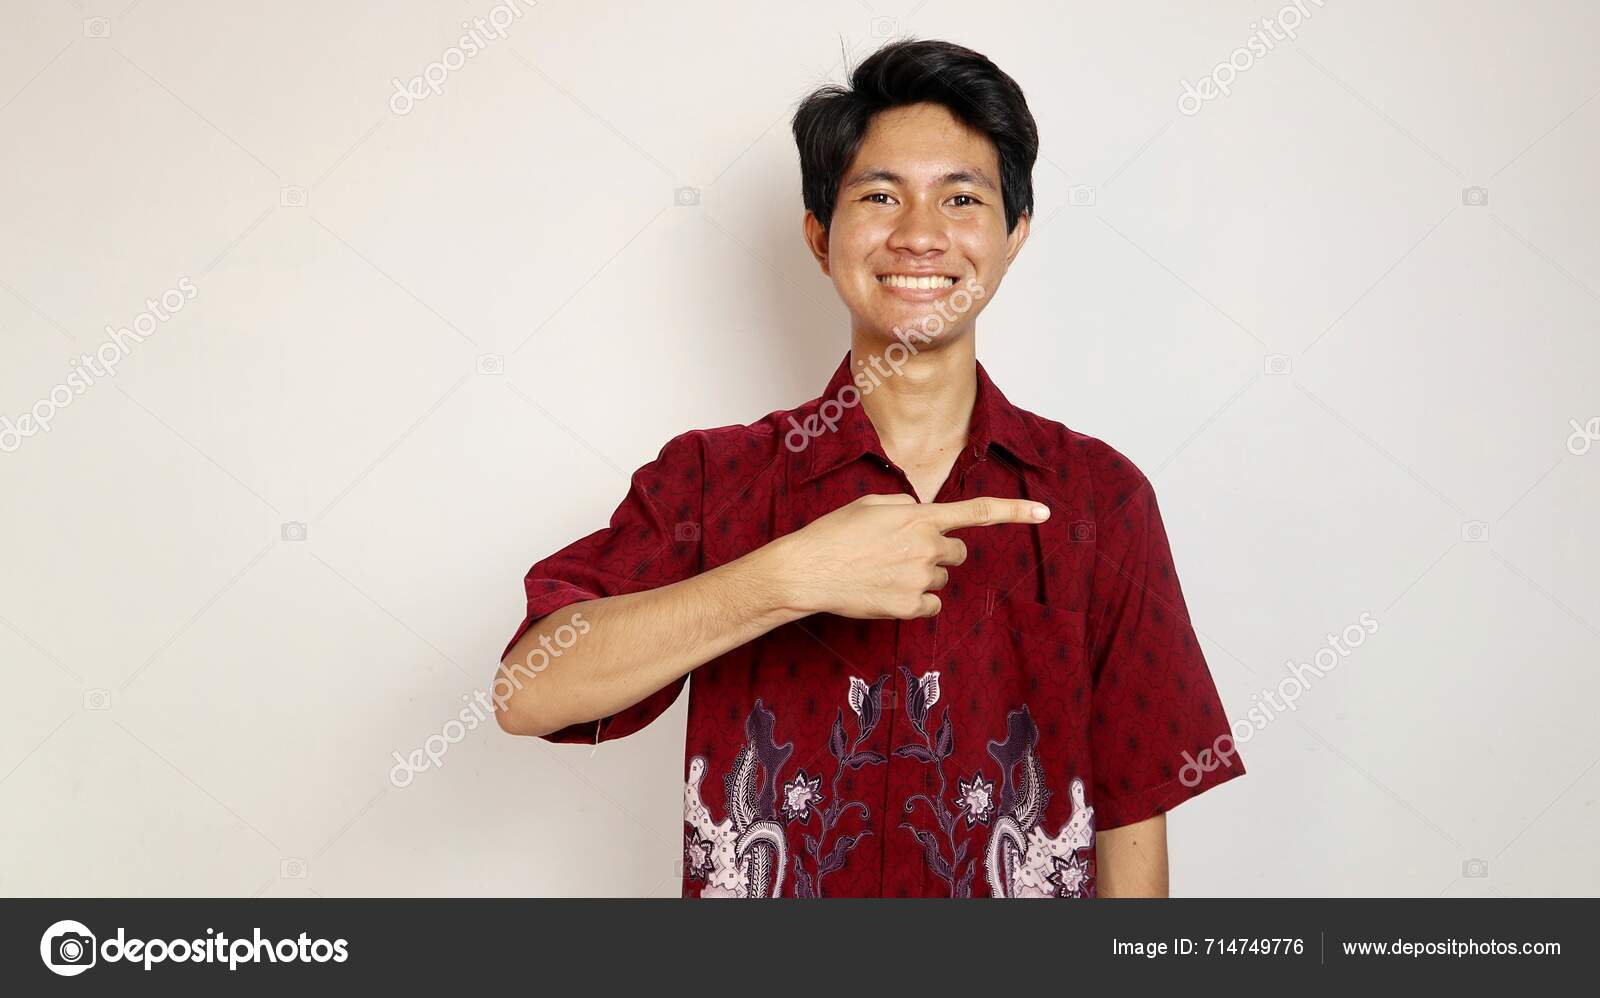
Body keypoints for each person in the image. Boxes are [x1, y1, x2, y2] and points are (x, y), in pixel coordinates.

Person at [496, 38, 1243, 898]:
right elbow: (527, 690)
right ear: (820, 235)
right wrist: (785, 577)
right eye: (880, 195)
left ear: (1014, 236)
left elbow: (1130, 818)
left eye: (961, 198)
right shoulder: (714, 477)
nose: (920, 235)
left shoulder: (1099, 497)